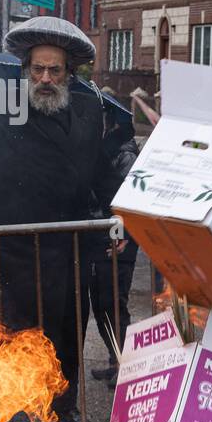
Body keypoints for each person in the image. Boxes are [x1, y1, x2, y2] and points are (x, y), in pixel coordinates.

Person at [0, 16, 118, 422]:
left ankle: (61, 409)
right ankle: (4, 417)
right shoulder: (6, 106)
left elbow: (103, 171)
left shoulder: (89, 109)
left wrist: (113, 216)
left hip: (68, 247)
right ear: (26, 69)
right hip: (16, 248)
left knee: (66, 334)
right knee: (7, 335)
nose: (46, 78)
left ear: (69, 73)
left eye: (55, 70)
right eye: (38, 69)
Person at [86, 101, 141, 383]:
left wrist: (124, 237)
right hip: (100, 239)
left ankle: (125, 367)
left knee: (114, 303)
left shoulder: (125, 154)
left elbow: (127, 204)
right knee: (102, 304)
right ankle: (114, 359)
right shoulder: (105, 150)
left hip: (119, 243)